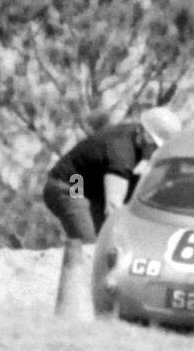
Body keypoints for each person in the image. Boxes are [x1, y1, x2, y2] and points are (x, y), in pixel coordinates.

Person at [43, 106, 182, 317]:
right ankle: (80, 306)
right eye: (154, 145)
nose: (155, 151)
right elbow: (113, 206)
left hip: (90, 190)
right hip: (69, 183)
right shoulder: (121, 151)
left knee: (101, 237)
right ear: (142, 134)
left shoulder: (138, 141)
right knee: (90, 241)